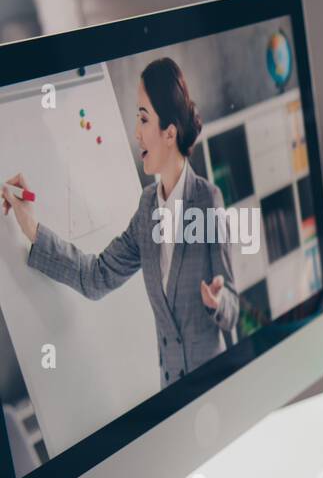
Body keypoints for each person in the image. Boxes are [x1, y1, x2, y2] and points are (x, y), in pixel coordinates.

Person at [2, 57, 239, 389]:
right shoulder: (147, 210)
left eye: (144, 119)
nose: (136, 134)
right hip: (171, 396)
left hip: (216, 389)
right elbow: (96, 278)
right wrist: (31, 229)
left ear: (169, 133)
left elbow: (233, 310)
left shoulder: (207, 199)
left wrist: (217, 302)